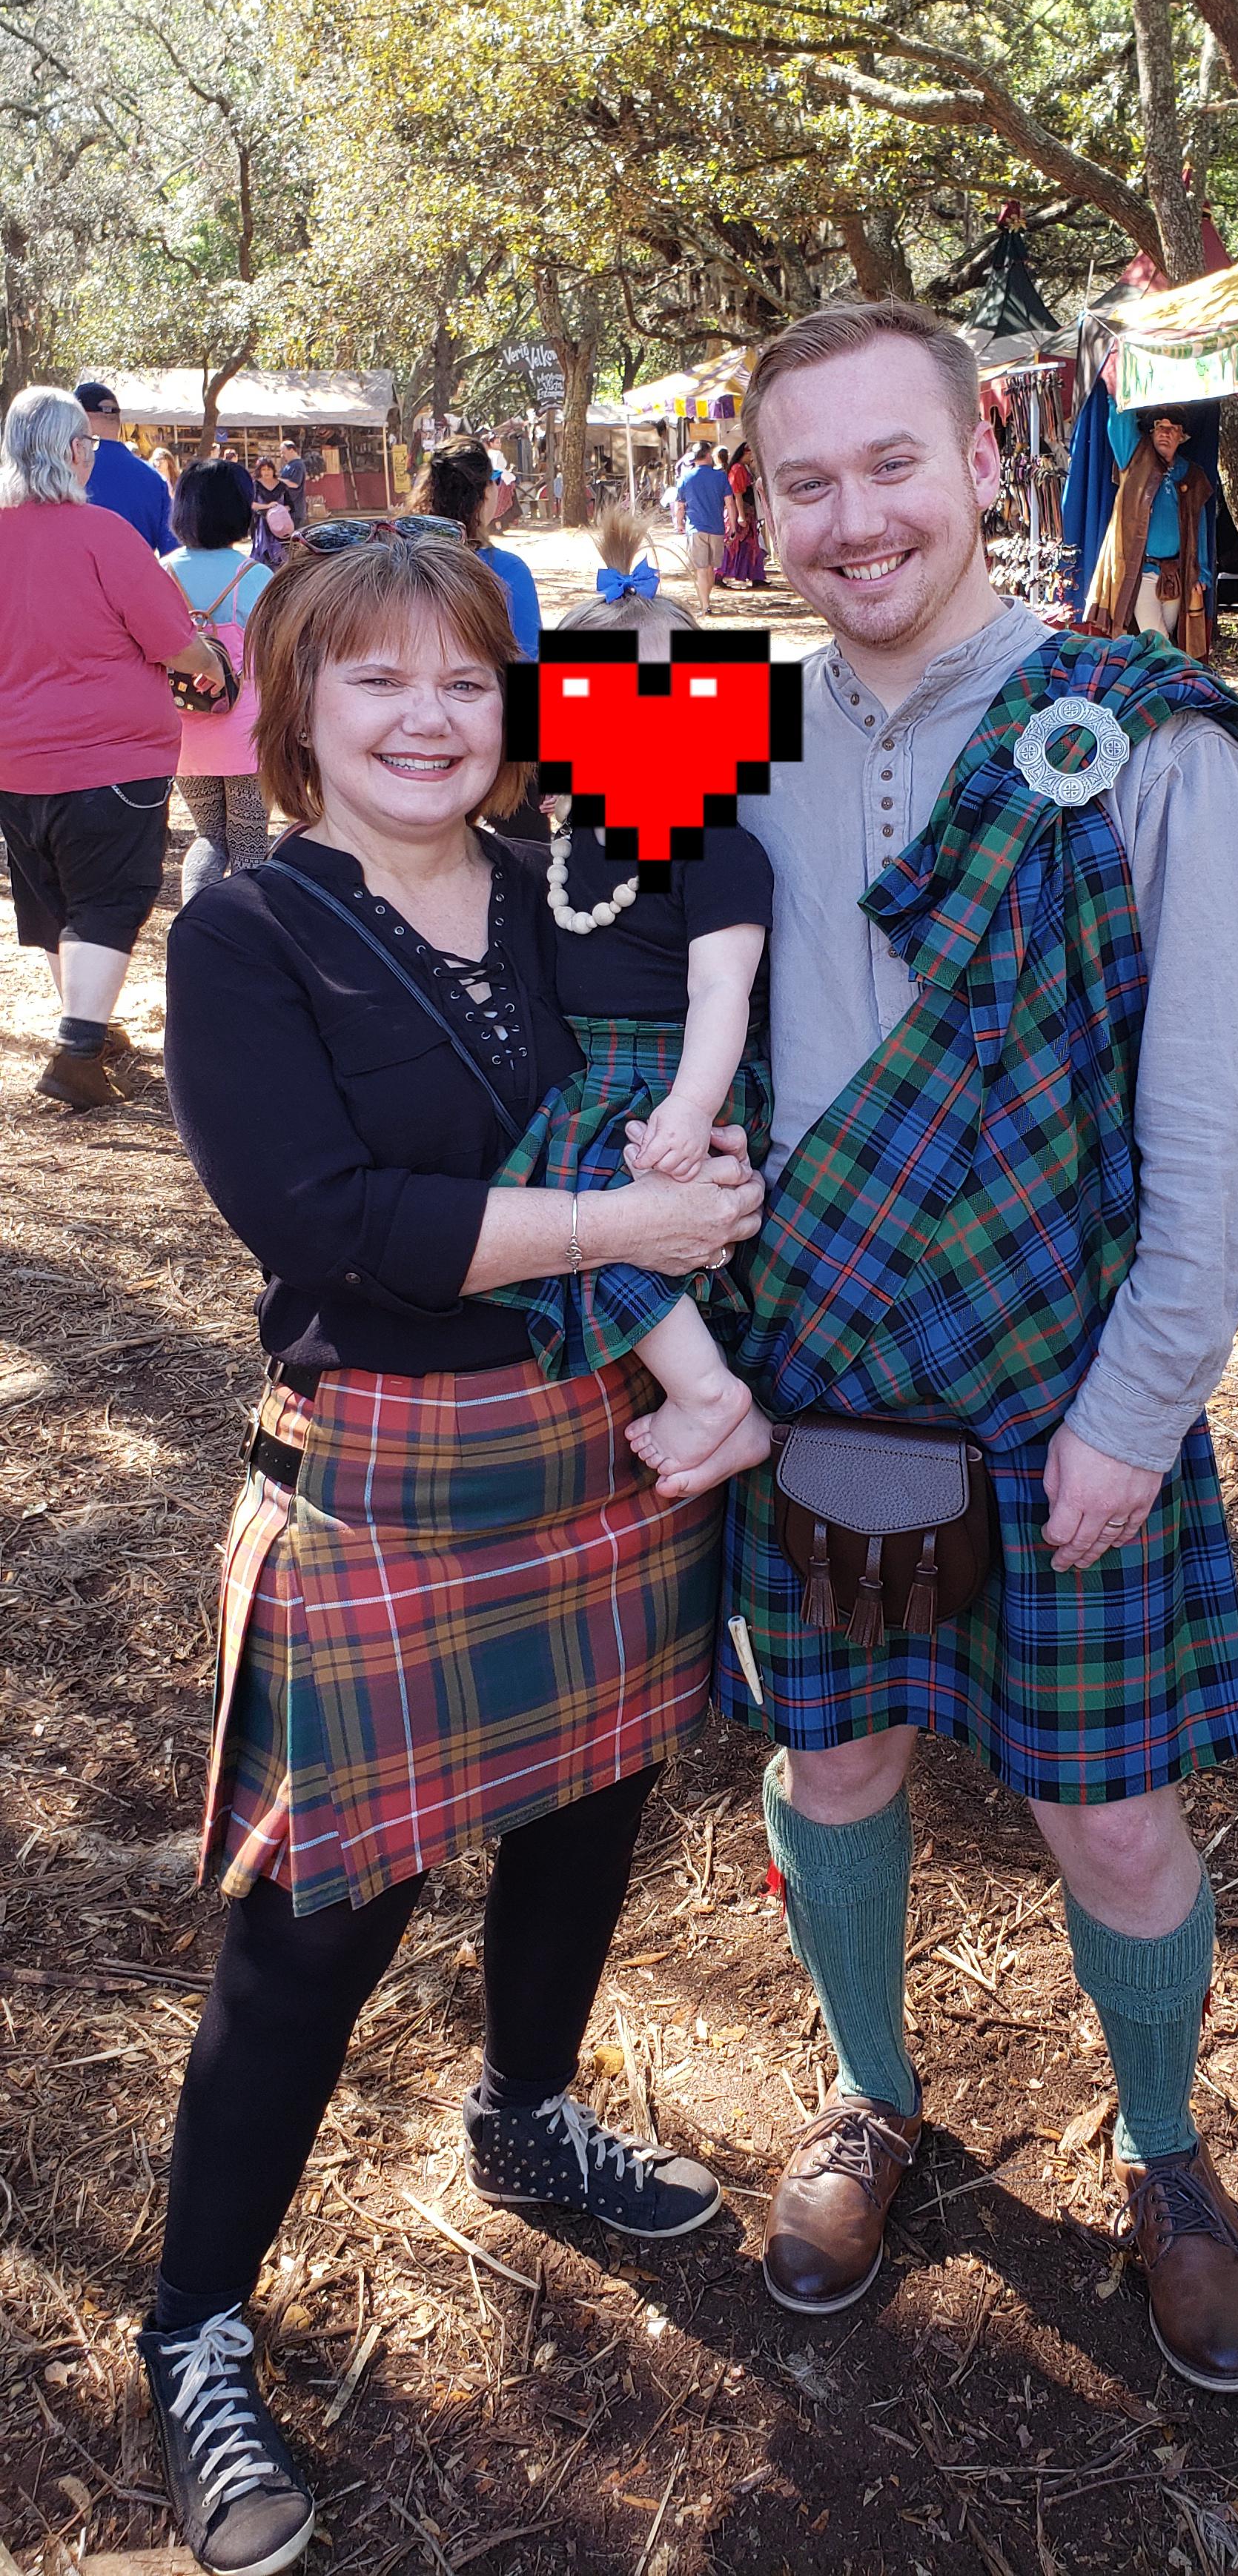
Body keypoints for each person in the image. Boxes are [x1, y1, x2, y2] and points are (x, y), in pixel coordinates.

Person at [143, 527, 762, 2576]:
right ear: (293, 709)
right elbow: (333, 1221)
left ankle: (525, 2113)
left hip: (595, 1438)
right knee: (322, 1919)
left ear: (521, 706)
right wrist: (626, 1233)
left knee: (592, 1804)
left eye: (470, 683)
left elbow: (718, 782)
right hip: (392, 1458)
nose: (427, 718)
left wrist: (702, 1149)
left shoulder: (570, 863)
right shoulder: (248, 929)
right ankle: (195, 2329)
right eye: (374, 680)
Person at [721, 299, 1238, 2395]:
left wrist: (1143, 1407)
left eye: (893, 465)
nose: (855, 519)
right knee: (833, 1758)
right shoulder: (702, 707)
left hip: (1066, 1398)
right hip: (806, 1382)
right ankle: (873, 2095)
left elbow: (1219, 1119)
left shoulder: (1145, 730)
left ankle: (1166, 2154)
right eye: (805, 480)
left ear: (986, 458)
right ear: (755, 501)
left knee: (1116, 1818)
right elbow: (406, 722)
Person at [493, 506, 774, 1493]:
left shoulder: (720, 844)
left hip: (672, 1075)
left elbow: (722, 989)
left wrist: (693, 1109)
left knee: (616, 1214)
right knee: (551, 1225)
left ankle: (712, 1398)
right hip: (589, 1075)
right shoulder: (565, 838)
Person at [0, 387, 224, 1109]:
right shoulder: (102, 534)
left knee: (54, 903)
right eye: (89, 446)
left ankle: (87, 1022)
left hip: (16, 762)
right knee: (107, 900)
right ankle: (77, 1052)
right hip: (111, 758)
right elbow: (174, 644)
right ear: (73, 452)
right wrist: (212, 666)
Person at [167, 459, 275, 897]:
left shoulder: (162, 572)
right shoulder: (255, 576)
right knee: (250, 843)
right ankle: (249, 937)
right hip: (248, 733)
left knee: (208, 836)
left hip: (185, 731)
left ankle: (197, 925)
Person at [1084, 402, 1214, 655]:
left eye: (1172, 428)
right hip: (1142, 572)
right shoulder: (1134, 460)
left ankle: (1157, 685)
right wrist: (1122, 391)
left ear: (1182, 437)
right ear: (1151, 433)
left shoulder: (1192, 476)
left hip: (1175, 574)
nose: (1165, 433)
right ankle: (1173, 684)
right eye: (1159, 427)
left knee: (1166, 638)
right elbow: (1119, 421)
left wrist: (1203, 571)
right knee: (1159, 641)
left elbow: (1199, 527)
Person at [408, 433, 541, 657]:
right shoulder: (507, 571)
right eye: (495, 479)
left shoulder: (395, 560)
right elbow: (527, 657)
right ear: (484, 492)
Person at [75, 379, 177, 554]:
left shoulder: (67, 472)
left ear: (79, 417)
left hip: (79, 578)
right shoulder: (154, 480)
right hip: (136, 578)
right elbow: (172, 552)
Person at [673, 441, 732, 616]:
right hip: (716, 528)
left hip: (695, 528)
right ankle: (707, 602)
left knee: (701, 568)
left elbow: (679, 505)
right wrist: (733, 524)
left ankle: (705, 604)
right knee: (711, 568)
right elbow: (729, 503)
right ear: (708, 456)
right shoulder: (720, 477)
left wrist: (679, 524)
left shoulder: (685, 478)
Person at [721, 441, 768, 586]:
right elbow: (737, 494)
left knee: (750, 545)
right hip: (743, 513)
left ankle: (754, 575)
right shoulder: (738, 469)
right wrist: (740, 515)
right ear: (746, 453)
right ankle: (722, 573)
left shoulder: (744, 468)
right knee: (737, 544)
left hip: (748, 513)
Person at [277, 439, 306, 528]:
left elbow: (295, 484)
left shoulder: (298, 465)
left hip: (295, 510)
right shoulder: (289, 465)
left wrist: (277, 480)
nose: (282, 456)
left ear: (292, 450)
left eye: (284, 452)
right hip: (287, 509)